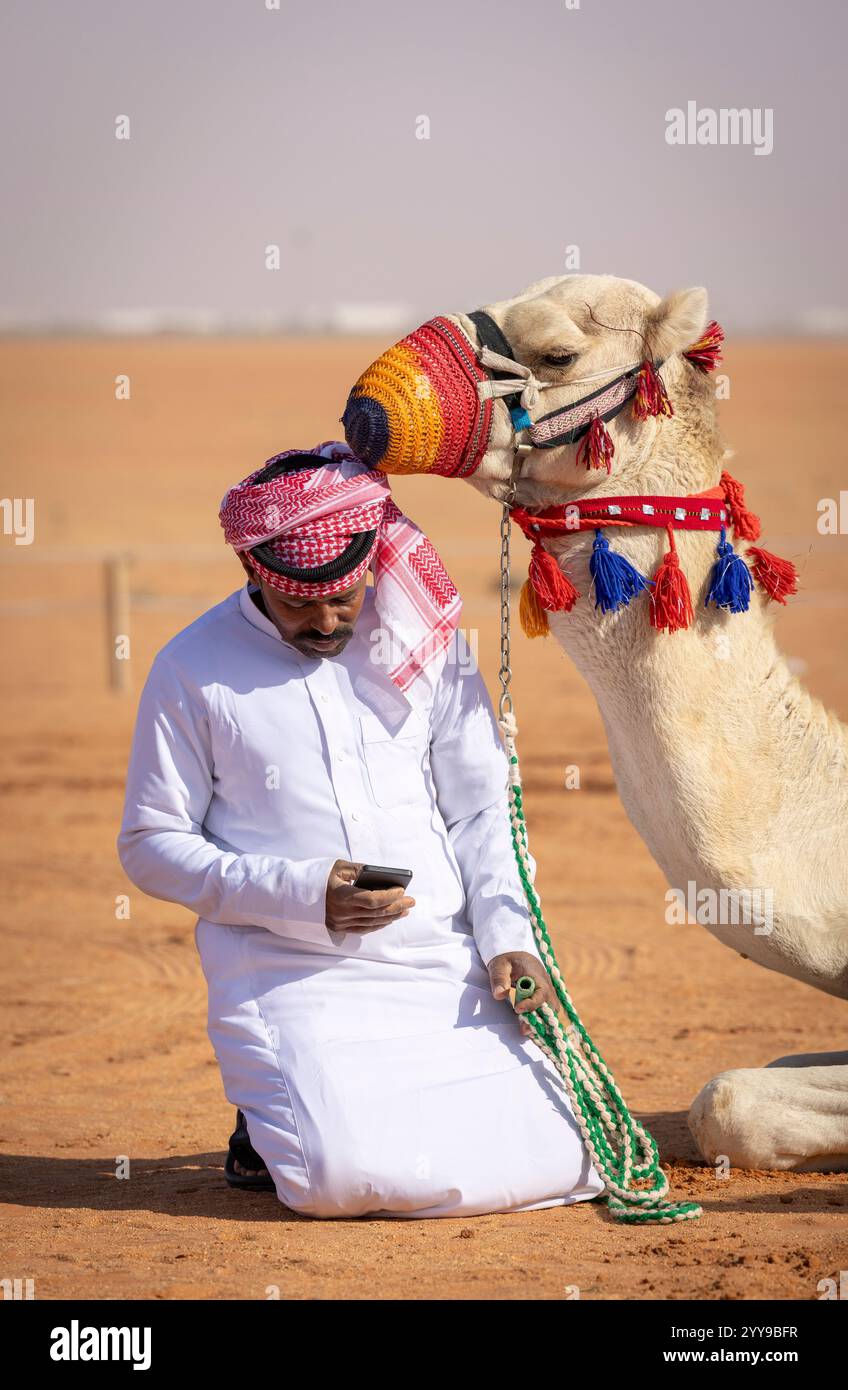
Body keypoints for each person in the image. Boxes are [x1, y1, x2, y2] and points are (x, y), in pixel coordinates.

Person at [117, 440, 604, 1218]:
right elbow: (150, 844)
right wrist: (305, 893)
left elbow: (482, 808)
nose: (326, 619)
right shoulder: (192, 669)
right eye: (300, 602)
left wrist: (512, 939)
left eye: (343, 596)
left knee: (573, 1154)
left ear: (375, 561)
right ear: (254, 573)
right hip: (294, 971)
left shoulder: (423, 638)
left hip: (445, 966)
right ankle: (272, 1124)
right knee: (339, 1177)